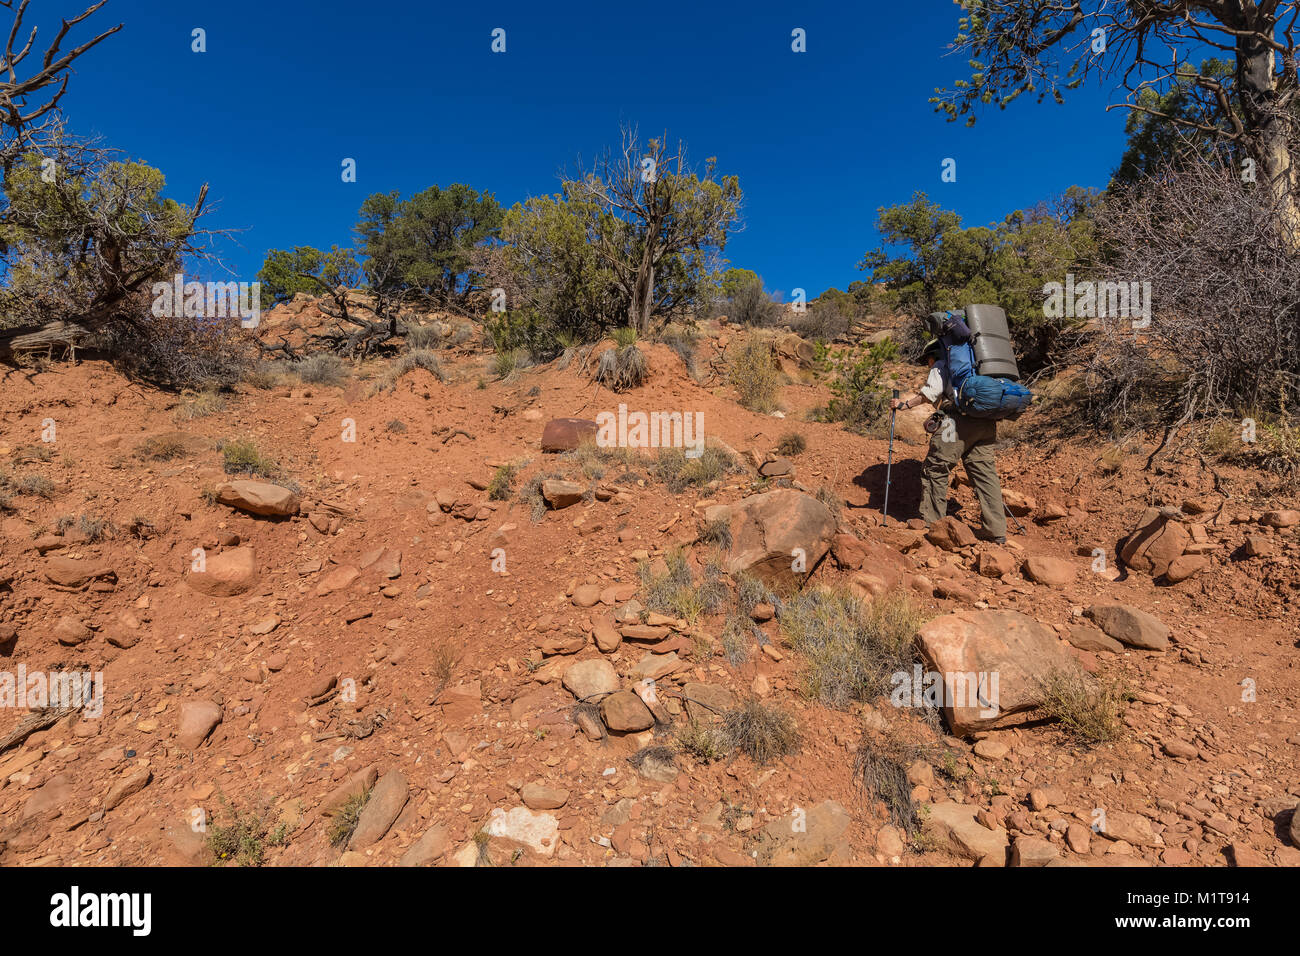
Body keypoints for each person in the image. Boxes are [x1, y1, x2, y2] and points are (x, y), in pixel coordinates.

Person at [889, 339, 1007, 544]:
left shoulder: (941, 365)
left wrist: (903, 405)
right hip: (986, 423)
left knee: (935, 468)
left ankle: (933, 525)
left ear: (935, 355)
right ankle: (995, 530)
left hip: (955, 422)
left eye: (928, 360)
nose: (928, 364)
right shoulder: (978, 366)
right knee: (985, 474)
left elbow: (929, 394)